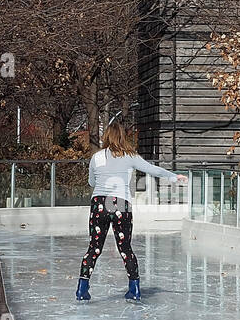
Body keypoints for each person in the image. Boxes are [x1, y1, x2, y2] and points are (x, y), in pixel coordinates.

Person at [76, 120, 187, 302]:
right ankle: (134, 289)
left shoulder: (96, 157)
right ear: (122, 136)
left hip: (99, 204)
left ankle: (82, 289)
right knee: (125, 248)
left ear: (106, 137)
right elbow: (152, 169)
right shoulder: (129, 155)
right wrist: (174, 177)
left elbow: (91, 182)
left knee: (94, 248)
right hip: (121, 204)